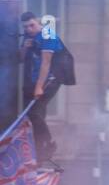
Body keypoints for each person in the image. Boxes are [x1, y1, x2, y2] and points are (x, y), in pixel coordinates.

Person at [18, 11, 73, 164]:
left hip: (52, 78)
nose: (29, 29)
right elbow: (21, 59)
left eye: (32, 25)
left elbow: (46, 63)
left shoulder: (48, 34)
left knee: (35, 113)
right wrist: (25, 48)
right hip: (34, 79)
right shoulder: (28, 37)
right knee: (35, 116)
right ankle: (40, 154)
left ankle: (48, 144)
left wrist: (39, 87)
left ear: (38, 22)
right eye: (25, 27)